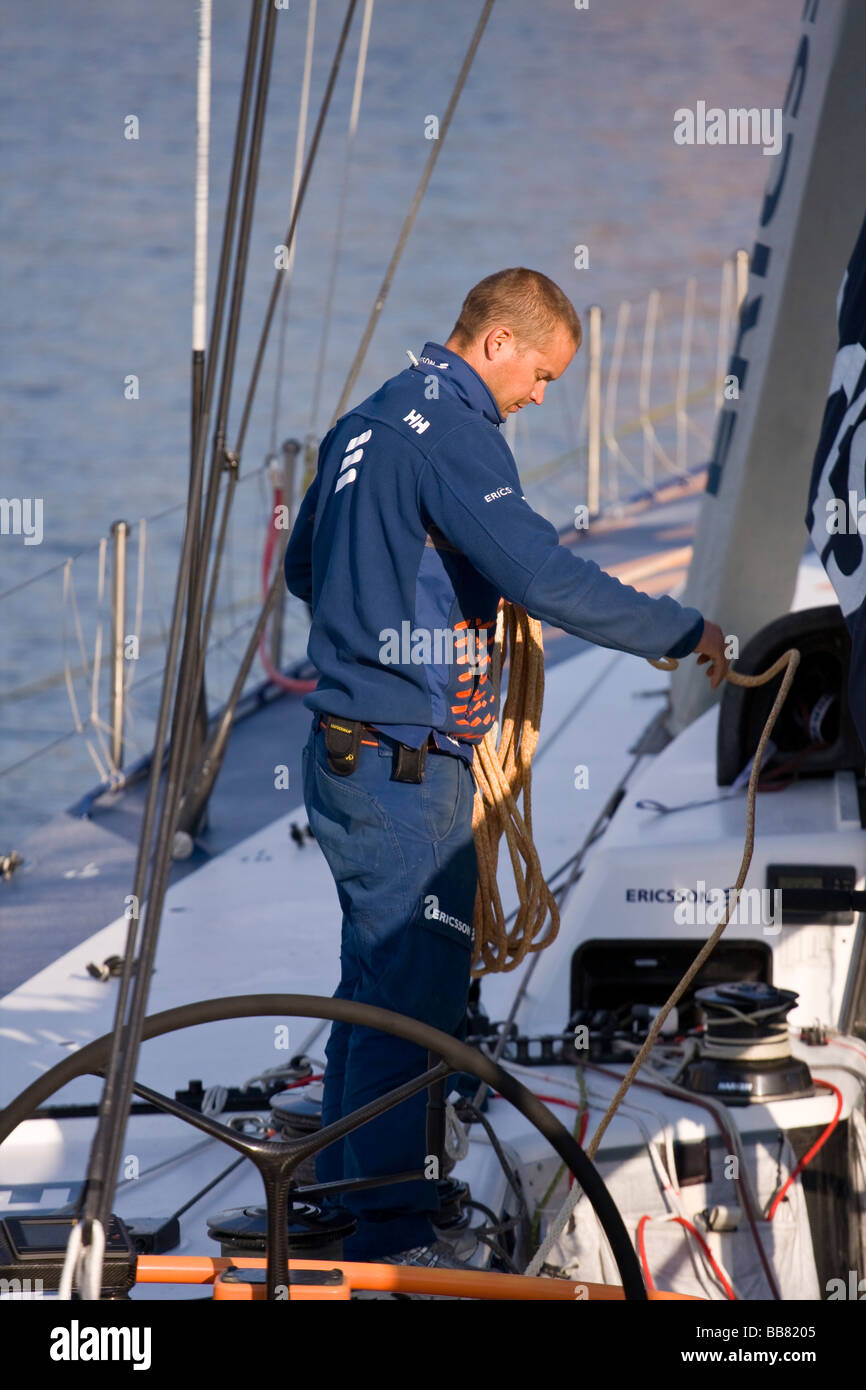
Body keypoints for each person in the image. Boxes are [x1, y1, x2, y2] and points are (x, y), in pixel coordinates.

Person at [284, 267, 729, 1263]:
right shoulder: (454, 429)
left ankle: (346, 1186)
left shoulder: (367, 419)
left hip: (346, 753)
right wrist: (681, 629)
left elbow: (304, 570)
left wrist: (412, 647)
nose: (536, 398)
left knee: (374, 978)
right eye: (539, 376)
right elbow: (541, 574)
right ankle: (392, 1236)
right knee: (414, 999)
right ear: (495, 344)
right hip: (404, 766)